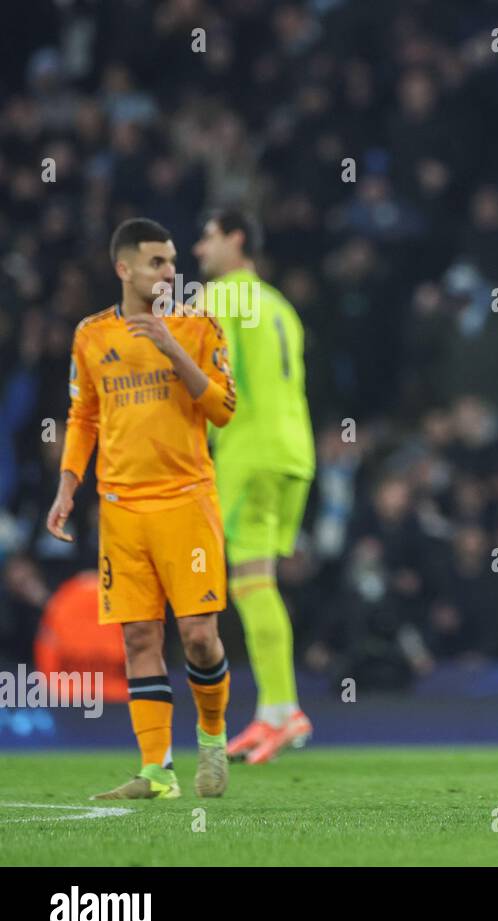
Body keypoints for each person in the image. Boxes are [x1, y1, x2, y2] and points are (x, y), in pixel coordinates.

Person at [47, 218, 237, 799]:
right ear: (123, 268)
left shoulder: (198, 325)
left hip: (185, 502)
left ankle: (212, 740)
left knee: (200, 635)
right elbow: (83, 418)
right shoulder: (91, 335)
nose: (170, 272)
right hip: (121, 510)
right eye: (157, 262)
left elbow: (224, 409)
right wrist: (67, 485)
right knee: (137, 640)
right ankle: (156, 771)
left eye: (173, 261)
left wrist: (171, 347)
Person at [194, 211, 316, 764]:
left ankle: (284, 708)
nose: (199, 250)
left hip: (248, 454)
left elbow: (217, 383)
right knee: (258, 582)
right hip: (294, 452)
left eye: (208, 237)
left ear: (235, 238)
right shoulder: (280, 306)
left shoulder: (219, 298)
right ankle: (273, 712)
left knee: (249, 585)